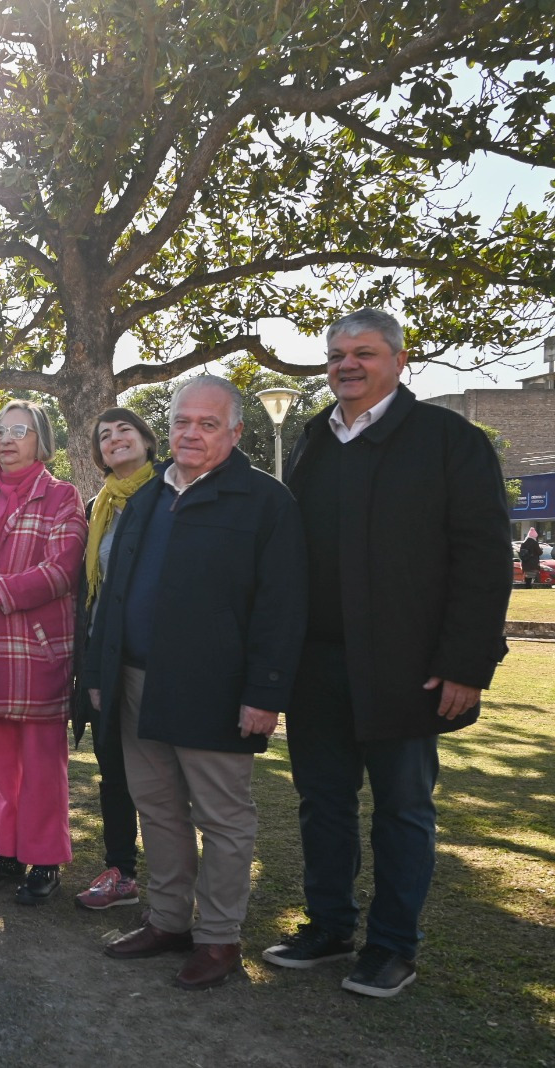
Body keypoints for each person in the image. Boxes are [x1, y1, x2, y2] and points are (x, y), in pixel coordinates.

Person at [267, 309, 511, 998]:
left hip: (409, 667)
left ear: (400, 361)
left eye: (365, 353)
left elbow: (483, 558)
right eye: (336, 354)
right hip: (318, 666)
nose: (347, 364)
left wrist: (467, 663)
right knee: (322, 802)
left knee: (403, 809)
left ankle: (393, 946)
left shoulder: (449, 440)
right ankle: (329, 926)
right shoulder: (314, 439)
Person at [83, 375, 307, 991]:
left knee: (223, 818)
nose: (192, 433)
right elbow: (114, 592)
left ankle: (219, 939)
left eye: (208, 424)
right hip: (135, 682)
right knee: (156, 808)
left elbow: (283, 606)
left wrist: (265, 693)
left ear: (236, 432)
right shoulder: (148, 496)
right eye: (182, 421)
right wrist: (100, 672)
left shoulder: (265, 502)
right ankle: (168, 920)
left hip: (216, 689)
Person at [0, 401, 86, 905]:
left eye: (19, 430)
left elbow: (60, 572)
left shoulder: (62, 495)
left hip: (38, 649)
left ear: (41, 440)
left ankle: (45, 858)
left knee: (43, 766)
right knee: (1, 762)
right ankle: (7, 852)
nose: (6, 439)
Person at [70, 408, 159, 910]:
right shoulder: (98, 506)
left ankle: (171, 885)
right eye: (104, 435)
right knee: (115, 771)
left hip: (153, 660)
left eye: (125, 429)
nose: (114, 439)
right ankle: (121, 872)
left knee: (162, 777)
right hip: (104, 657)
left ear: (147, 440)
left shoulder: (168, 496)